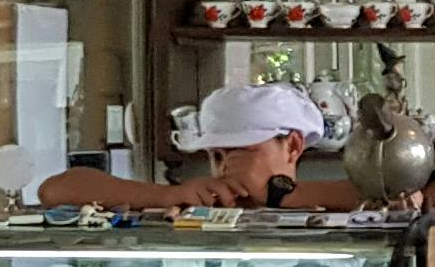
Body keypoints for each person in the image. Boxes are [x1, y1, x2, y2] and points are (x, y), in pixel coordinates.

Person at [35, 83, 357, 210]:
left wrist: (281, 196)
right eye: (216, 154)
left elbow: (400, 199)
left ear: (293, 146)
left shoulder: (329, 208)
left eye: (243, 151)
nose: (224, 166)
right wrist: (169, 196)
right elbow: (54, 190)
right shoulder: (199, 206)